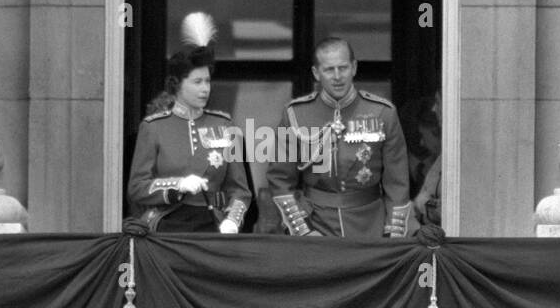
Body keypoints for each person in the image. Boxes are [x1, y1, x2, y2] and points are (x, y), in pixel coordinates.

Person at [267, 37, 412, 239]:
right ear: (316, 73)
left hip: (371, 225)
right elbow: (280, 178)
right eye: (329, 69)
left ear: (354, 68)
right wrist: (302, 230)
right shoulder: (295, 114)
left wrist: (393, 233)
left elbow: (397, 183)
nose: (337, 76)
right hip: (315, 223)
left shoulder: (382, 112)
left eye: (343, 68)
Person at [127, 13, 250, 233]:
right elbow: (136, 188)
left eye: (208, 81)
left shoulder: (225, 126)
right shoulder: (154, 127)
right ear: (177, 84)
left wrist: (232, 220)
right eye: (197, 82)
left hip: (213, 224)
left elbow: (240, 190)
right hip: (167, 223)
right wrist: (177, 185)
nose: (205, 89)